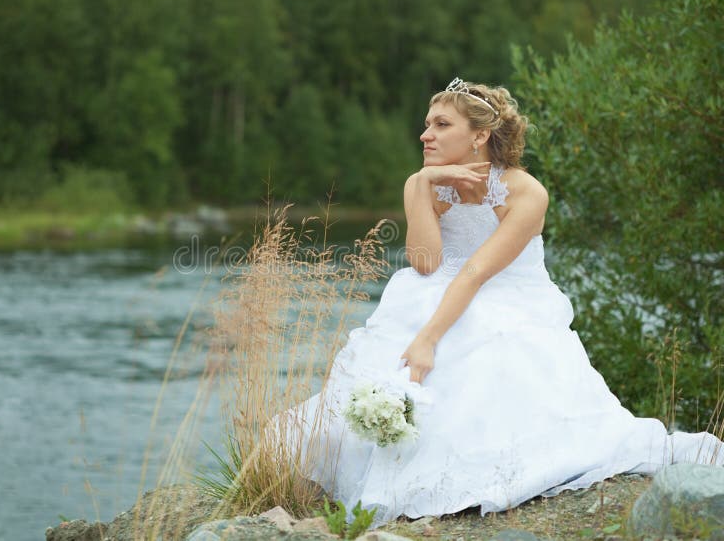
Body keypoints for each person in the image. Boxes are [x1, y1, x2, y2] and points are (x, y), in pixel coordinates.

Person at [286, 76, 724, 528]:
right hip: (443, 286)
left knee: (476, 327)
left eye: (440, 124)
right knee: (414, 302)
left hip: (509, 295)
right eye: (426, 124)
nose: (425, 134)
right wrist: (421, 186)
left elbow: (476, 273)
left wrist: (427, 340)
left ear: (479, 136)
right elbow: (425, 263)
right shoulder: (424, 182)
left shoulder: (527, 193)